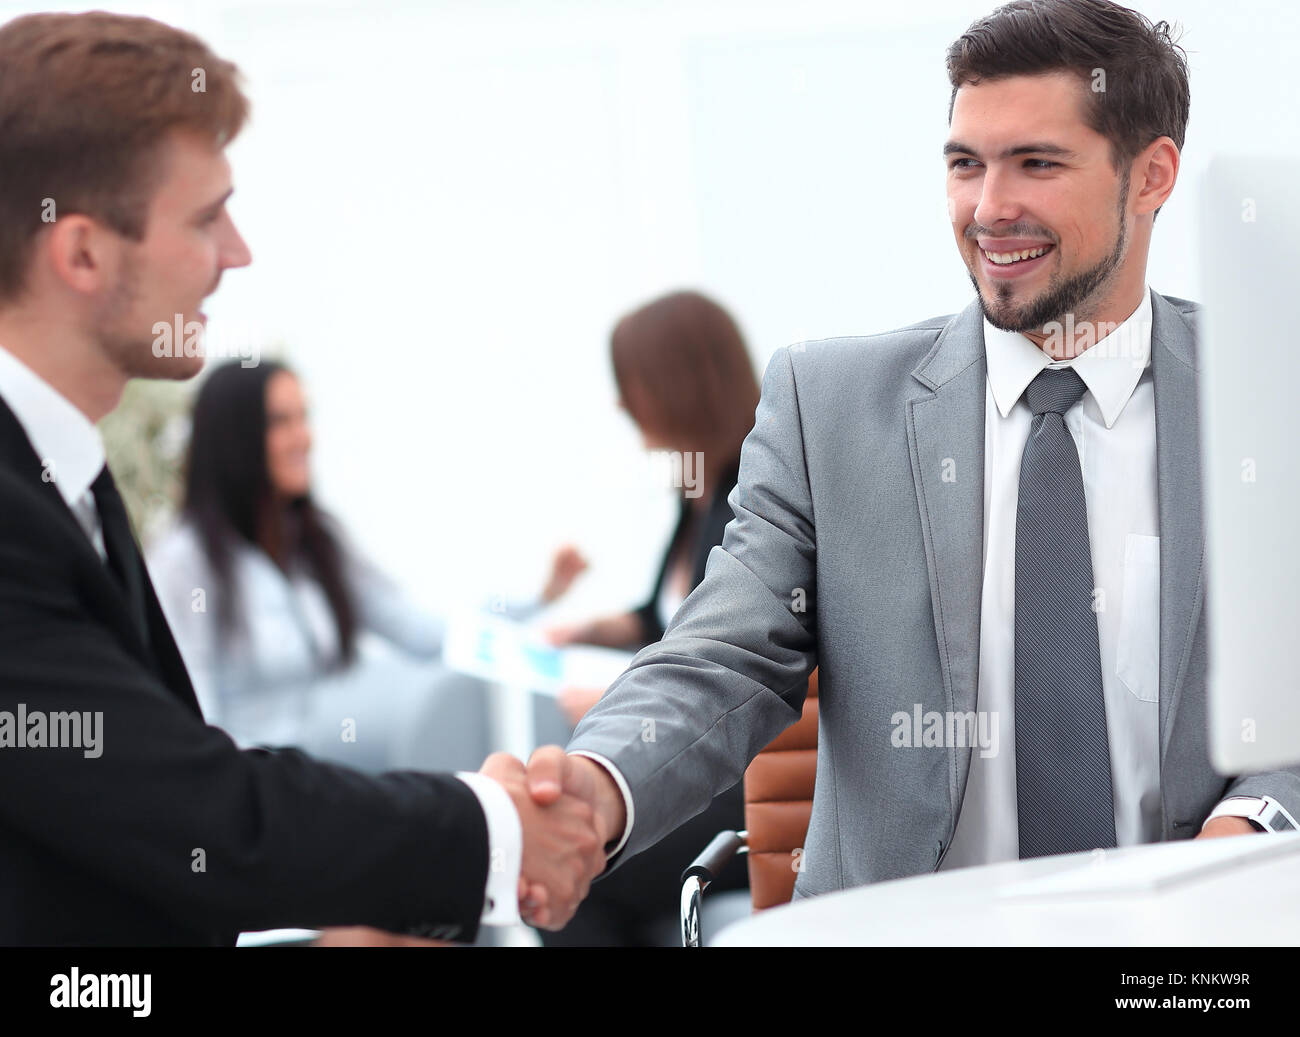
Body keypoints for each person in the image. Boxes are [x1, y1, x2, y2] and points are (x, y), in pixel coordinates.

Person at [511, 0, 1300, 914]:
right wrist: (598, 784)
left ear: (1151, 175)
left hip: (1186, 947)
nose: (989, 209)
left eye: (1036, 163)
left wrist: (1251, 824)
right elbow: (722, 655)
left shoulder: (1266, 397)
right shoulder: (829, 404)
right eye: (966, 164)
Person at [0, 10, 599, 945]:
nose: (238, 253)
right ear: (80, 252)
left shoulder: (72, 476)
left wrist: (543, 617)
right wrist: (494, 825)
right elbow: (192, 807)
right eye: (206, 218)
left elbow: (421, 629)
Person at [147, 359, 582, 762]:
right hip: (248, 800)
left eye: (305, 417)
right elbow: (189, 714)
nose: (305, 437)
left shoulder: (318, 544)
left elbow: (423, 632)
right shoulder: (183, 563)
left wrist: (536, 601)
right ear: (234, 438)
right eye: (281, 422)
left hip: (320, 785)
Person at [540, 290, 759, 946]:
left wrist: (615, 700)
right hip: (695, 765)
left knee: (569, 877)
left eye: (628, 385)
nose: (620, 403)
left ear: (672, 385)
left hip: (737, 781)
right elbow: (671, 616)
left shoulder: (753, 499)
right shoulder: (697, 492)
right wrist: (591, 631)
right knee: (566, 854)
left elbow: (736, 652)